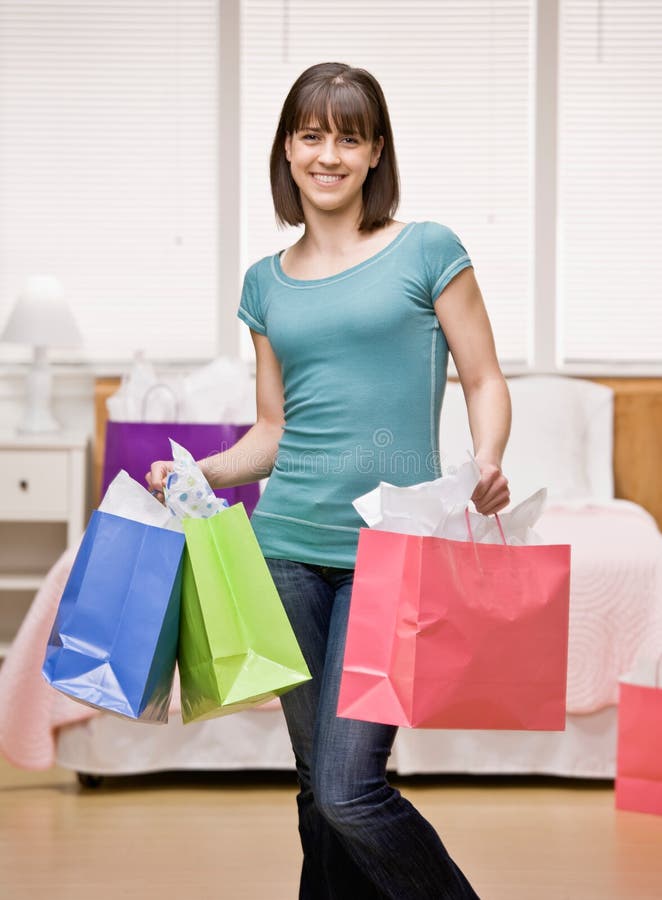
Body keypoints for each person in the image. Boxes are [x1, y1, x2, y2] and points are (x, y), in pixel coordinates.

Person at [148, 62, 511, 900]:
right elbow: (275, 429)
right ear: (288, 147)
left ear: (376, 152)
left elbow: (484, 378)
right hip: (283, 553)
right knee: (317, 788)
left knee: (351, 790)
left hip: (393, 551)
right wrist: (200, 471)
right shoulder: (265, 285)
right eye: (312, 135)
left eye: (350, 137)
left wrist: (486, 456)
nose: (329, 154)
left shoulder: (428, 249)